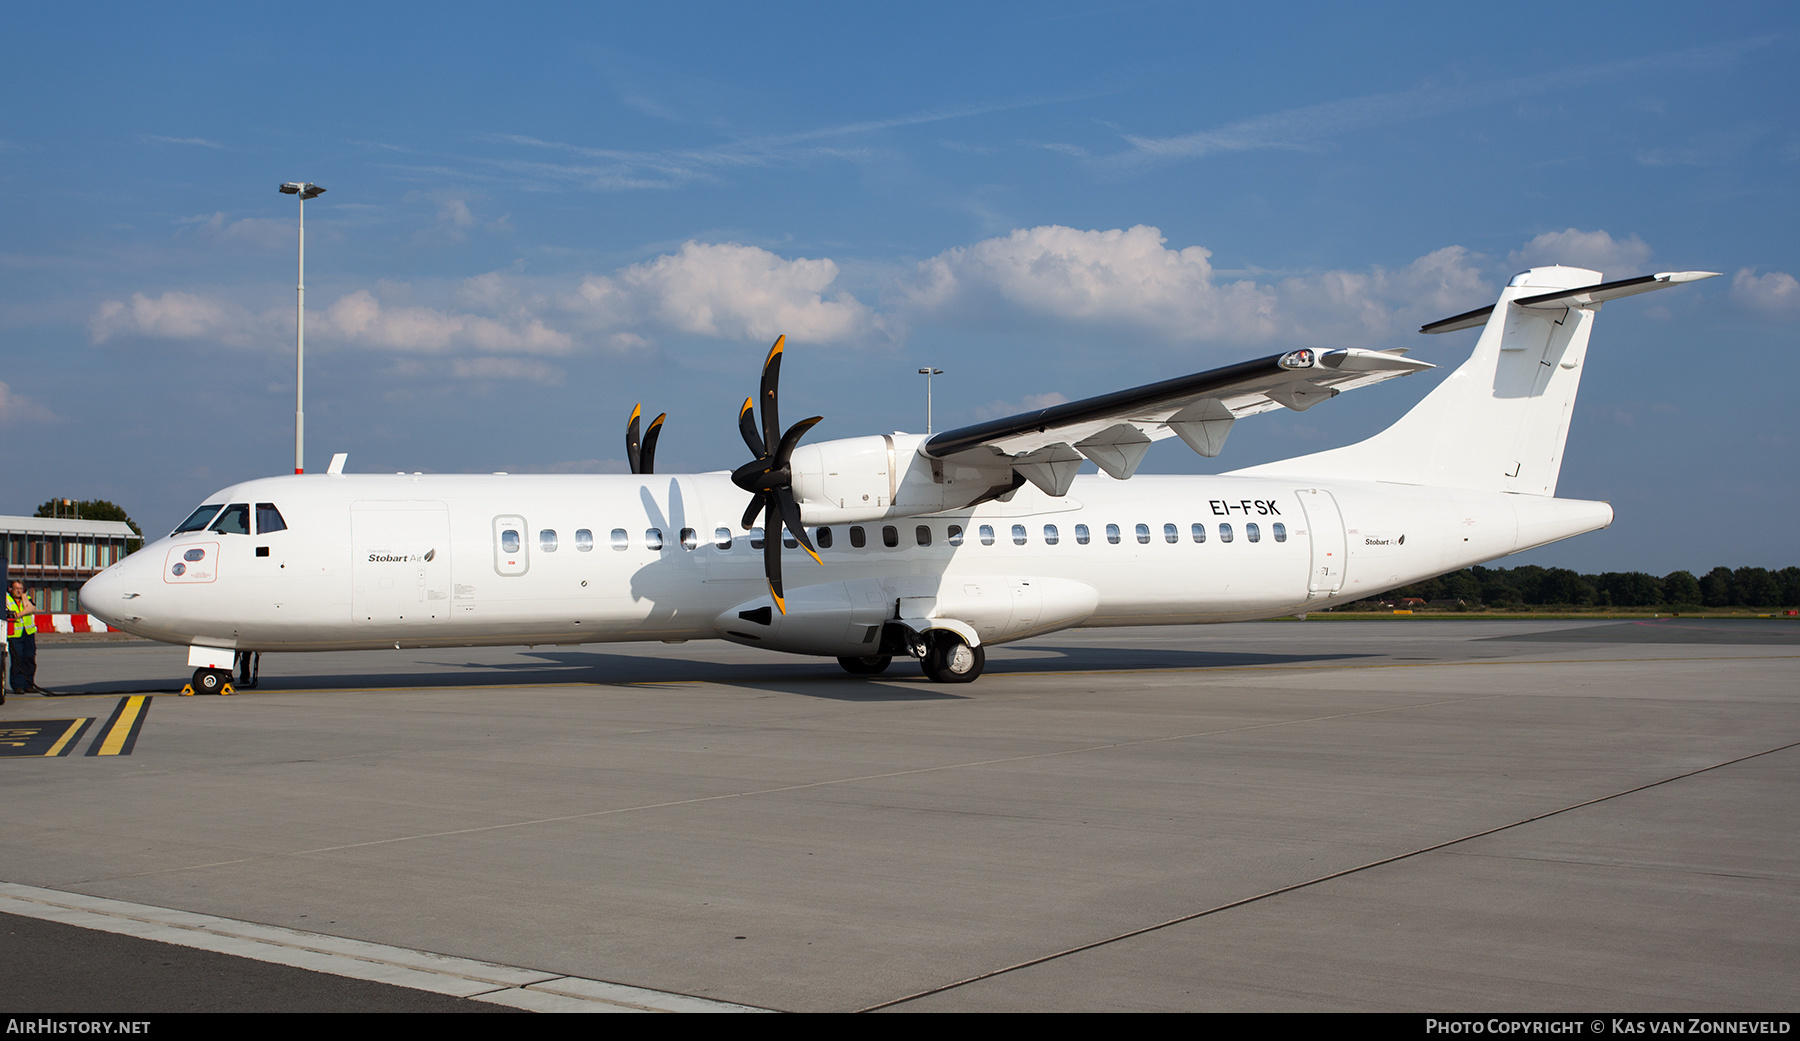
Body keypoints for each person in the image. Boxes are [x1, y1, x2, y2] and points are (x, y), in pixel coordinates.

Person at [7, 580, 46, 695]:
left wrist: (18, 614)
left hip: (28, 633)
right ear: (10, 589)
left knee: (29, 659)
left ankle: (29, 684)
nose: (19, 591)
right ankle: (18, 686)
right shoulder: (6, 600)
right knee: (17, 660)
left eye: (21, 588)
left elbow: (31, 608)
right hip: (14, 635)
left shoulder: (26, 598)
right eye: (16, 588)